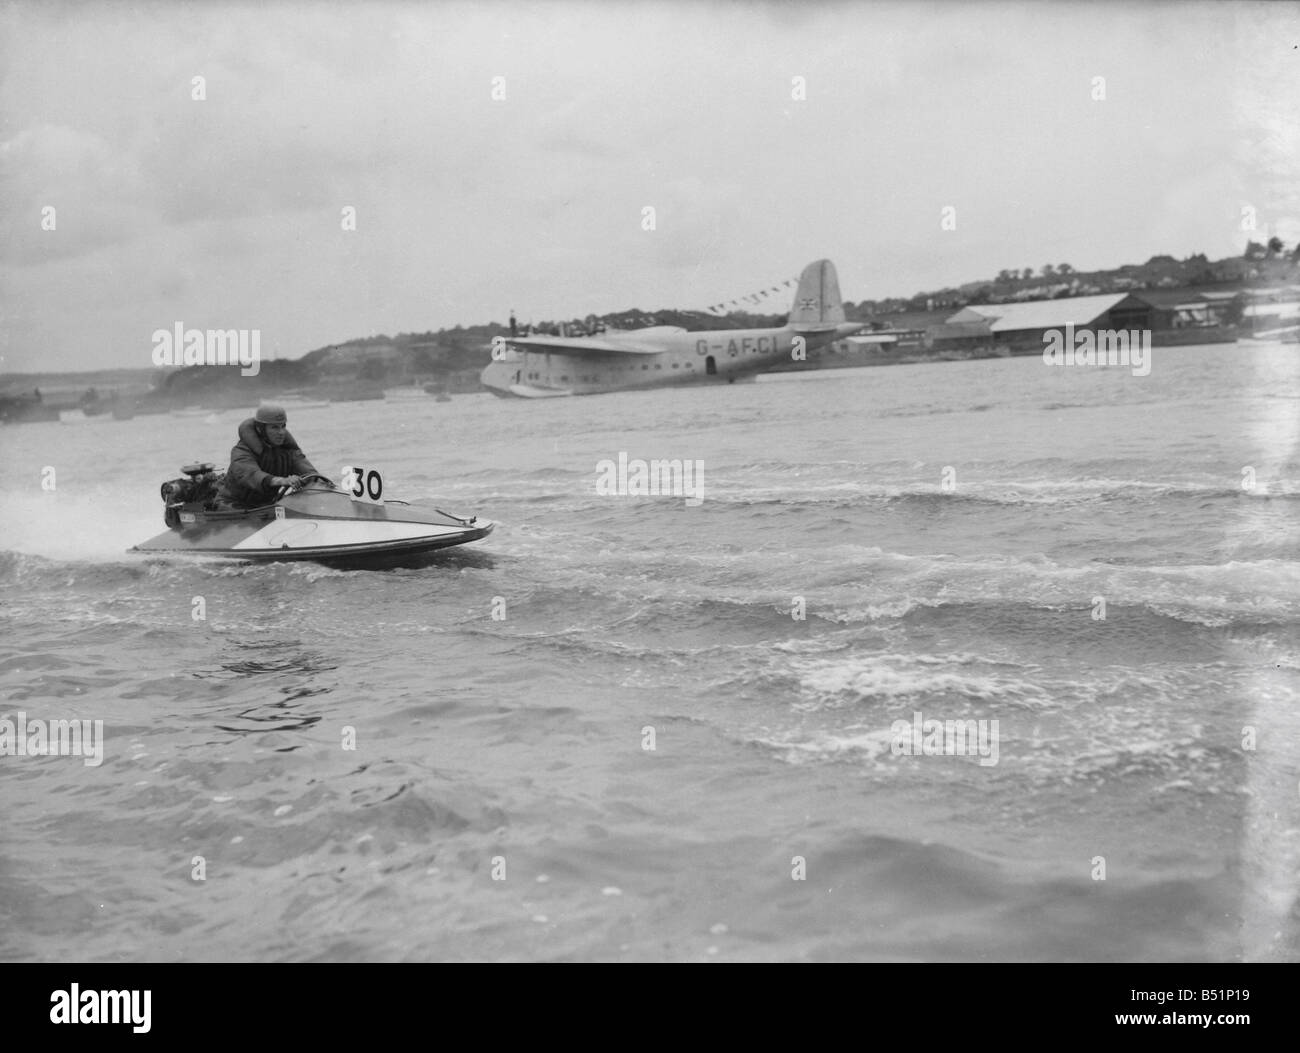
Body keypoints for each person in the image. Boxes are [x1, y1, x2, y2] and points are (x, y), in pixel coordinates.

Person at [214, 404, 319, 508]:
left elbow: (311, 474)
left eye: (283, 426)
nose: (281, 432)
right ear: (260, 429)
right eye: (274, 427)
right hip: (232, 505)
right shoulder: (241, 452)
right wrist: (283, 480)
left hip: (265, 506)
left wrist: (320, 483)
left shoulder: (288, 451)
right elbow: (252, 475)